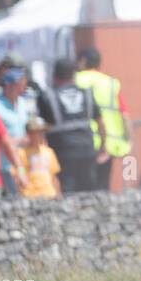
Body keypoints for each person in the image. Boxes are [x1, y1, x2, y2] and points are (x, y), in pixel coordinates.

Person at [37, 58, 107, 193]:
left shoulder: (47, 96)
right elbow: (100, 122)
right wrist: (103, 146)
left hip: (62, 152)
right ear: (73, 75)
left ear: (55, 76)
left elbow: (40, 129)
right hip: (87, 148)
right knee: (89, 190)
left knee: (67, 190)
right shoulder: (86, 93)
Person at [74, 48, 131, 188]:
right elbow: (125, 115)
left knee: (82, 187)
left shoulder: (76, 80)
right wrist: (129, 139)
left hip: (83, 140)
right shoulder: (110, 83)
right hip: (109, 142)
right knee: (103, 186)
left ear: (82, 61)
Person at [0, 67, 31, 197]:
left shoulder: (23, 103)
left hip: (24, 162)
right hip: (4, 165)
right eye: (19, 83)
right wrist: (18, 141)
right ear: (8, 86)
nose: (22, 85)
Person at [19, 116, 62, 199]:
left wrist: (58, 194)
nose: (41, 135)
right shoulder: (22, 153)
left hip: (49, 193)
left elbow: (54, 176)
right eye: (38, 132)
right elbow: (19, 173)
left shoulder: (49, 151)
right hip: (30, 195)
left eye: (42, 132)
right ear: (29, 133)